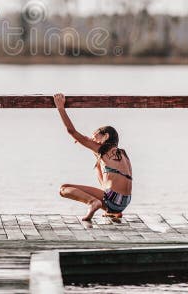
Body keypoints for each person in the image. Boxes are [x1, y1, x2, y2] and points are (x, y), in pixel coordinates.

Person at [53, 93, 133, 222]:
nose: (92, 139)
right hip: (124, 202)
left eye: (95, 135)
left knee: (63, 188)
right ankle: (112, 212)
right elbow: (107, 180)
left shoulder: (103, 149)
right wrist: (89, 144)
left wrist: (60, 107)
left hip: (113, 199)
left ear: (106, 136)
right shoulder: (123, 153)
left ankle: (92, 202)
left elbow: (71, 131)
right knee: (98, 168)